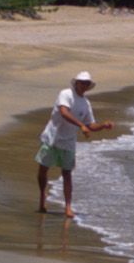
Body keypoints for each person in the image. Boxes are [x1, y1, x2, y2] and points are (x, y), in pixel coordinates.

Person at [36, 71, 112, 217]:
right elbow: (64, 112)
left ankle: (68, 207)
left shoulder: (86, 103)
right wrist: (81, 125)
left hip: (69, 141)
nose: (84, 85)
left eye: (86, 83)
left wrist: (103, 125)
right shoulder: (65, 94)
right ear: (76, 82)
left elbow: (90, 124)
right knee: (43, 169)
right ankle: (41, 196)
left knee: (67, 174)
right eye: (81, 82)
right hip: (53, 137)